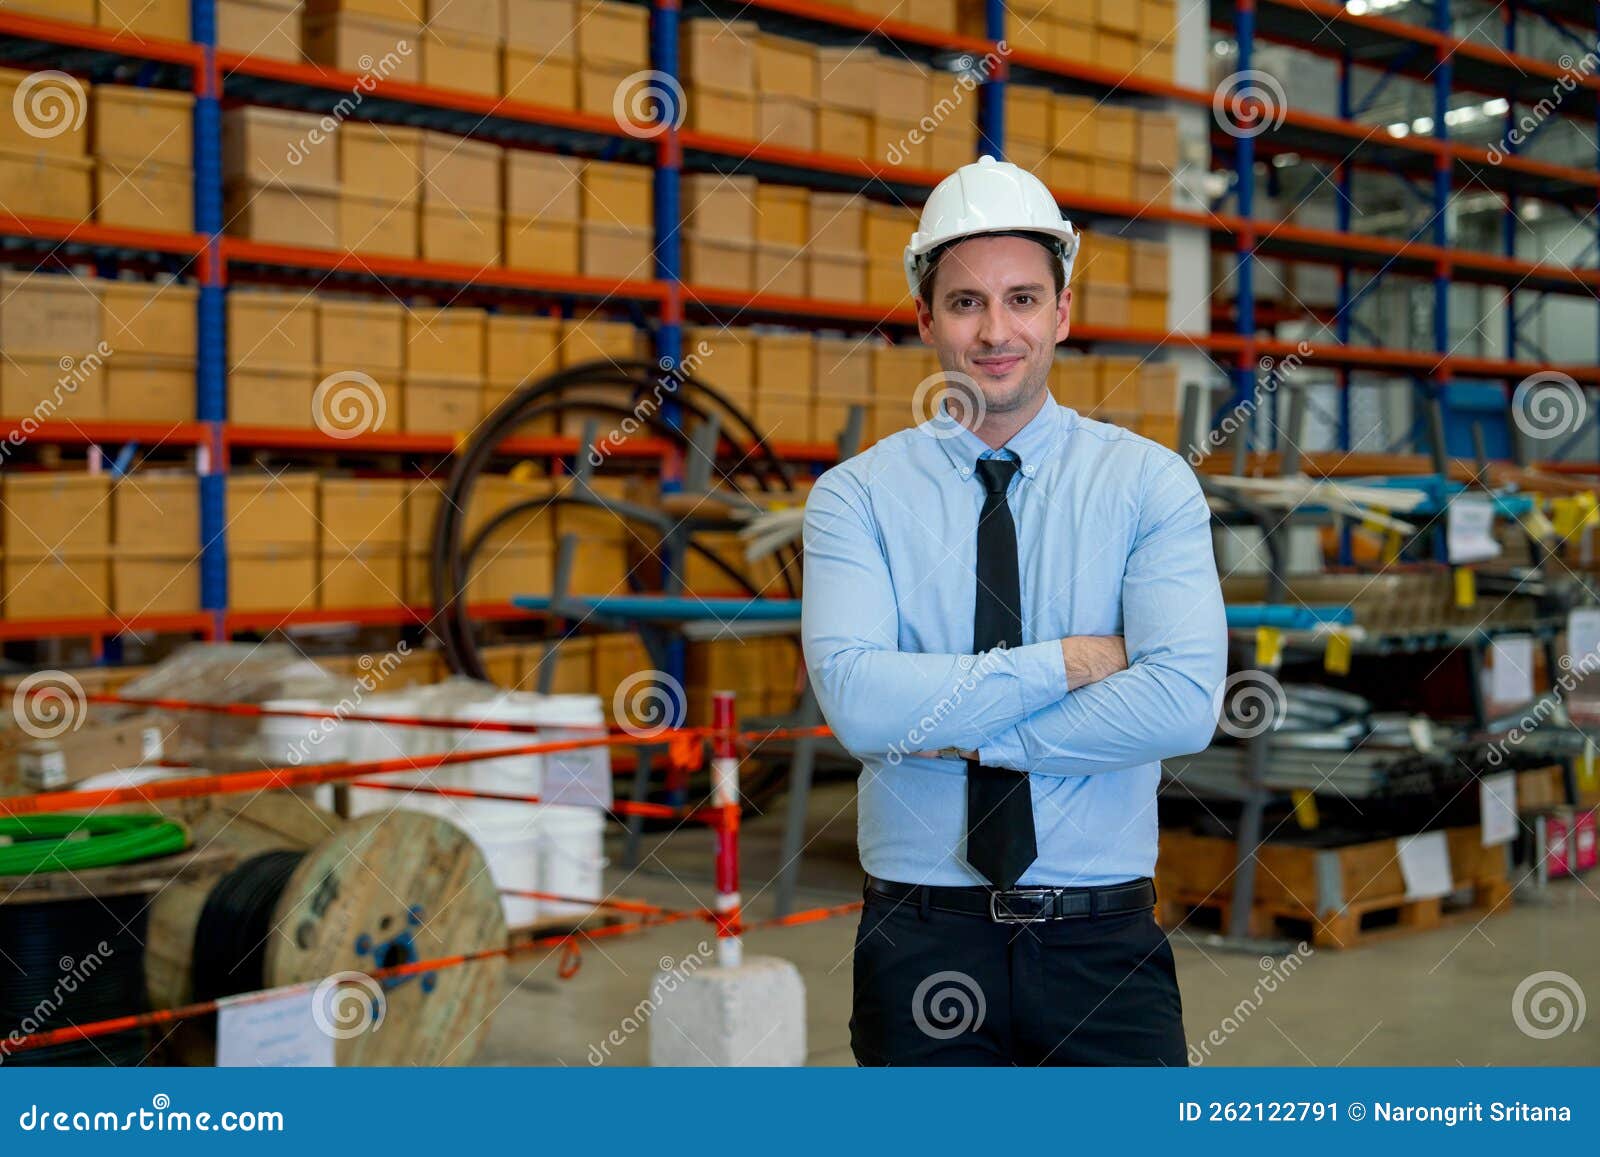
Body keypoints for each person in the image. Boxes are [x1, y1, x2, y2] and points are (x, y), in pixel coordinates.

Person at [800, 156, 1227, 1066]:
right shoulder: (856, 497)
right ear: (926, 318)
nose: (996, 331)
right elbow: (860, 705)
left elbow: (1183, 704)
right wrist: (1067, 662)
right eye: (966, 303)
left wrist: (956, 729)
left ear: (1062, 311)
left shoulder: (1148, 484)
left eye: (1022, 299)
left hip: (1103, 945)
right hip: (920, 941)